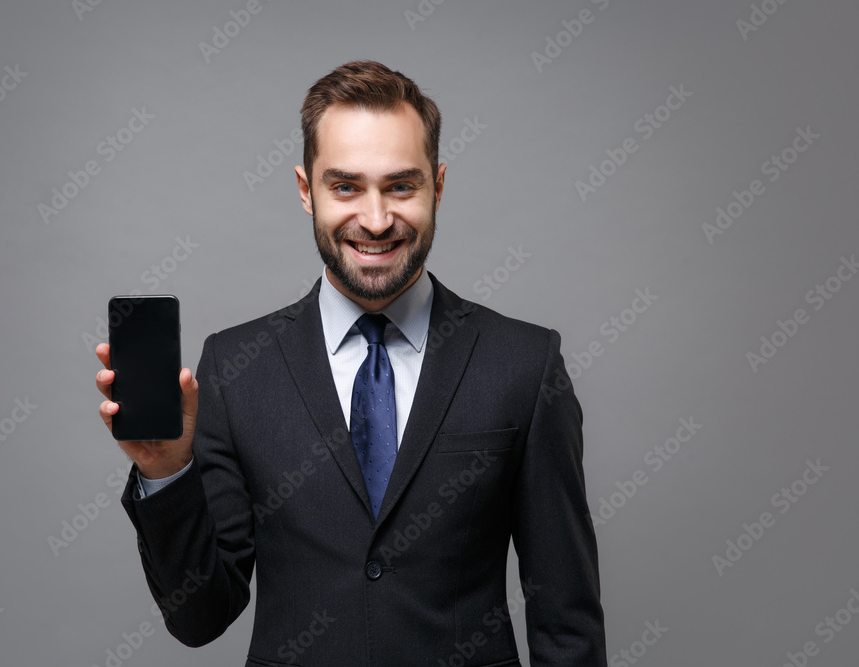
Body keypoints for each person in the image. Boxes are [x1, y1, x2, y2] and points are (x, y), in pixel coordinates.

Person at [95, 60, 608, 666]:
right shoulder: (236, 368)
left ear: (437, 185)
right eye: (345, 187)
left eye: (401, 185)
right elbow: (200, 615)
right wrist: (166, 472)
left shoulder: (524, 364)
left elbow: (566, 622)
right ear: (305, 190)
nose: (375, 219)